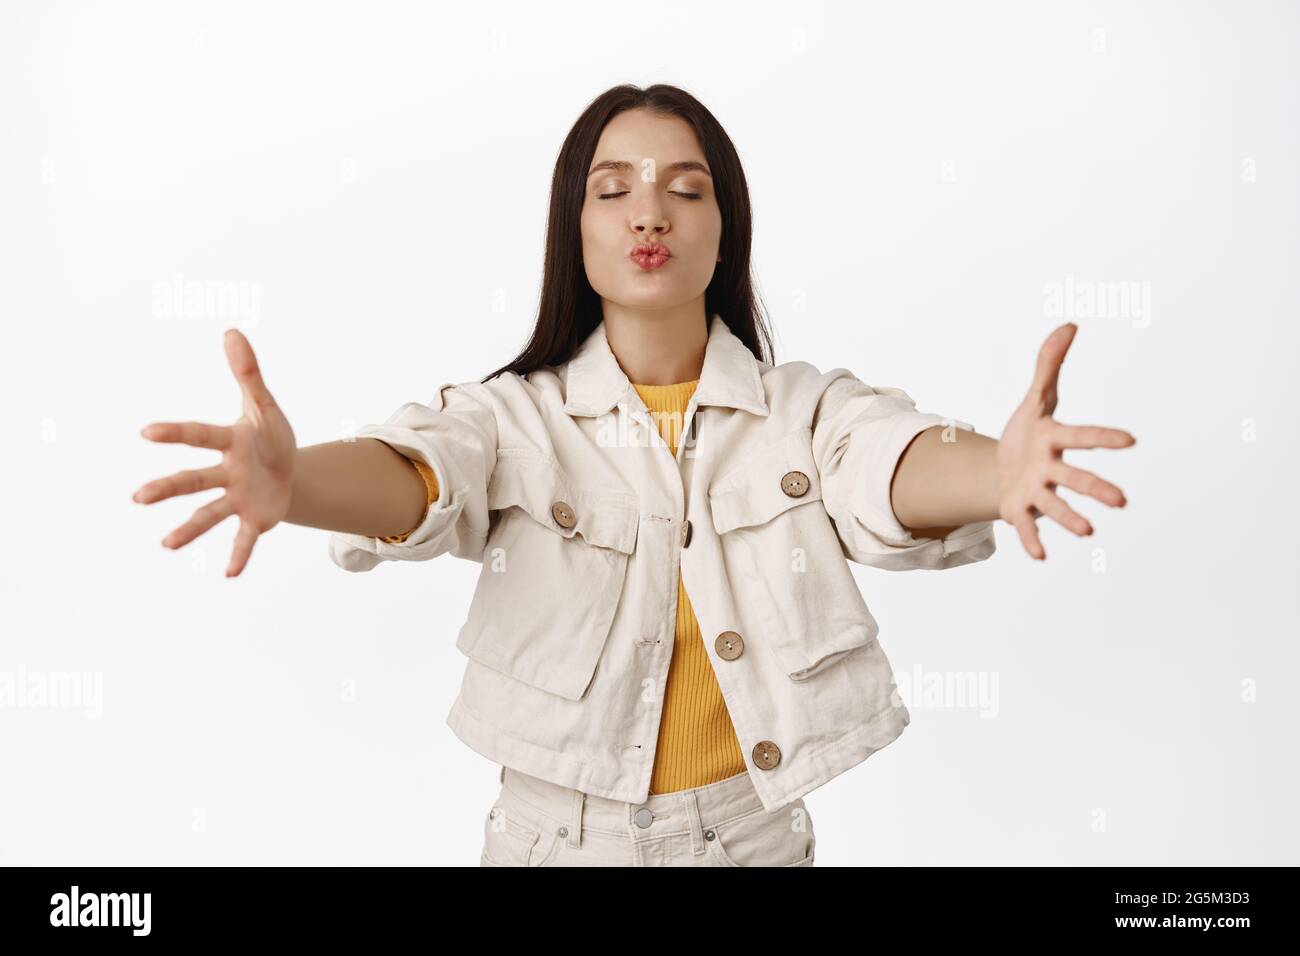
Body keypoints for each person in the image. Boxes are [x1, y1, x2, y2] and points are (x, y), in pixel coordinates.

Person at [133, 84, 1136, 866]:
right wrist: (295, 484)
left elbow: (882, 461)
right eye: (612, 189)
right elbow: (424, 474)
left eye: (685, 188)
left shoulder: (801, 410)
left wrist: (995, 469)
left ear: (723, 227)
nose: (647, 210)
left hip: (752, 837)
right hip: (553, 840)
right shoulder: (515, 413)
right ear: (576, 229)